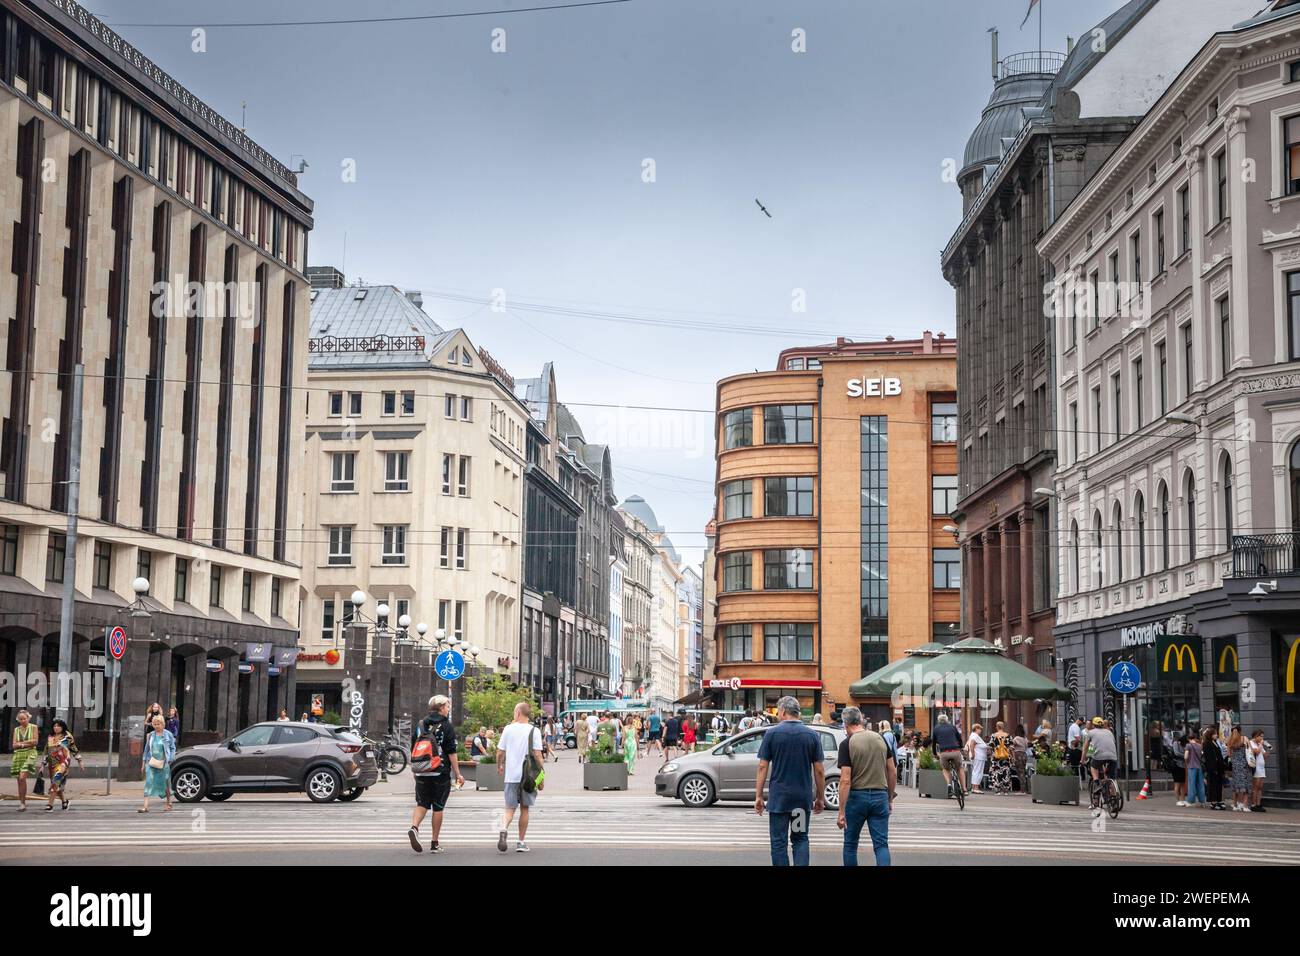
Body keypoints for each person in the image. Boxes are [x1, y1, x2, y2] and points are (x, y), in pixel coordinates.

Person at [755, 696, 825, 867]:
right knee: (800, 838)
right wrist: (820, 798)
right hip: (800, 801)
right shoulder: (811, 735)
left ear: (783, 711)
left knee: (779, 842)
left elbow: (763, 767)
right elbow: (819, 770)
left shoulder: (772, 734)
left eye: (779, 712)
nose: (778, 715)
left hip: (779, 800)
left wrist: (758, 796)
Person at [837, 707, 895, 867]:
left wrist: (841, 811)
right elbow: (892, 770)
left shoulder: (847, 743)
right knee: (881, 845)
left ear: (845, 724)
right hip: (880, 796)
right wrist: (889, 797)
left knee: (850, 844)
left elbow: (845, 780)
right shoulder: (880, 739)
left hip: (856, 798)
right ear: (861, 721)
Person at [407, 695, 463, 854]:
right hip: (440, 771)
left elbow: (413, 747)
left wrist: (414, 769)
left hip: (422, 770)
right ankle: (434, 843)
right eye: (447, 705)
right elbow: (451, 751)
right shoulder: (446, 725)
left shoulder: (420, 724)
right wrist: (458, 773)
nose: (448, 708)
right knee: (438, 807)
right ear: (441, 707)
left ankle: (414, 828)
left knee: (422, 803)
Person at [497, 701, 545, 853]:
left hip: (511, 776)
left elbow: (500, 752)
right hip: (528, 778)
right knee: (525, 809)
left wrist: (500, 765)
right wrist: (542, 777)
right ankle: (521, 842)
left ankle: (504, 829)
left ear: (517, 713)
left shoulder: (508, 729)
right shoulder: (534, 731)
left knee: (509, 809)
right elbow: (538, 756)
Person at [42, 718, 83, 812]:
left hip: (63, 762)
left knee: (55, 781)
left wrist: (80, 761)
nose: (56, 728)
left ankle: (50, 804)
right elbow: (46, 750)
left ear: (62, 727)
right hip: (52, 763)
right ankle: (65, 802)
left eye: (58, 726)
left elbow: (73, 748)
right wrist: (43, 764)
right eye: (55, 726)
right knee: (56, 784)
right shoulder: (50, 737)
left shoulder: (67, 736)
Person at [139, 714, 176, 813]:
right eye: (154, 724)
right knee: (148, 782)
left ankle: (168, 802)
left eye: (158, 724)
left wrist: (170, 758)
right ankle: (145, 806)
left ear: (163, 724)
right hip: (152, 763)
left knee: (166, 784)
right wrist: (143, 764)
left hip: (164, 763)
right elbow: (146, 750)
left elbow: (173, 747)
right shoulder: (151, 735)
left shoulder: (168, 734)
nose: (156, 726)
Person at [1083, 716, 1119, 804]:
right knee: (1111, 779)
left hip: (1099, 756)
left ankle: (1096, 782)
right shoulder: (1109, 732)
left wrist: (1082, 760)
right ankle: (1114, 799)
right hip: (1113, 756)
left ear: (1093, 725)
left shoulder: (1091, 733)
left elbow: (1085, 748)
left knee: (1093, 767)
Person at [10, 709, 40, 811]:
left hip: (30, 753)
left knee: (22, 777)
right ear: (18, 720)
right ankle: (22, 803)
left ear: (28, 718)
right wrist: (27, 742)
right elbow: (14, 745)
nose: (23, 720)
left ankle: (23, 803)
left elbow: (35, 741)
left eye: (24, 718)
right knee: (19, 780)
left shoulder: (34, 727)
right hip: (18, 755)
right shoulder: (16, 729)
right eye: (20, 719)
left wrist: (21, 744)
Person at [930, 713, 966, 795]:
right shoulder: (953, 727)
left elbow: (934, 743)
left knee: (945, 769)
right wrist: (961, 747)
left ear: (939, 721)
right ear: (947, 720)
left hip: (944, 752)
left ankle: (949, 784)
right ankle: (964, 789)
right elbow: (959, 738)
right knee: (960, 768)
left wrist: (935, 754)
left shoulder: (936, 729)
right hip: (955, 751)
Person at [1202, 726, 1227, 810]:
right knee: (1212, 785)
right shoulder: (1207, 744)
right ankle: (1213, 802)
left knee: (1218, 785)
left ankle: (1218, 800)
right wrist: (1213, 768)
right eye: (1215, 734)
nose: (1216, 735)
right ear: (1210, 735)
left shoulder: (1215, 742)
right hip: (1213, 768)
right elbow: (1210, 758)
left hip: (1219, 767)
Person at [1227, 727, 1252, 812]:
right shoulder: (1244, 738)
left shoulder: (1230, 741)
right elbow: (1250, 749)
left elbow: (1229, 754)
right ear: (1240, 731)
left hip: (1235, 767)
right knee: (1245, 785)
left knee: (1236, 786)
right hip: (1244, 765)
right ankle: (1245, 806)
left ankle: (1235, 805)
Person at [987, 721, 1013, 795]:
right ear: (1003, 727)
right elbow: (1011, 747)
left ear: (997, 727)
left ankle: (998, 789)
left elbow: (990, 746)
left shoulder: (994, 735)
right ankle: (1005, 790)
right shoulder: (1008, 735)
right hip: (1006, 757)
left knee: (996, 772)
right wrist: (1013, 756)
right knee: (1006, 771)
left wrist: (990, 752)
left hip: (996, 757)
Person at [1249, 730, 1270, 813]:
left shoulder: (1259, 745)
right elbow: (1256, 752)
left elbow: (1264, 756)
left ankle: (1258, 804)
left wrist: (1268, 750)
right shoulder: (1251, 743)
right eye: (1260, 736)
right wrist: (1261, 744)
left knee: (1260, 787)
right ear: (1255, 736)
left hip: (1262, 767)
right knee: (1256, 786)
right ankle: (1253, 804)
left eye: (1262, 736)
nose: (1262, 738)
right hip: (1256, 767)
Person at [1184, 731, 1205, 807]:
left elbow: (1186, 756)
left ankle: (1190, 801)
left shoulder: (1188, 745)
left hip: (1191, 766)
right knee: (1200, 784)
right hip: (1199, 767)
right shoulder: (1199, 746)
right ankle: (1202, 801)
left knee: (1191, 784)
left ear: (1188, 739)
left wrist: (1187, 761)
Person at [966, 724, 988, 794]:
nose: (981, 730)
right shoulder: (975, 736)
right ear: (976, 729)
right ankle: (976, 787)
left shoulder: (973, 735)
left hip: (978, 756)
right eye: (980, 729)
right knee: (978, 771)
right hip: (978, 756)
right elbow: (972, 745)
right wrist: (973, 754)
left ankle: (974, 787)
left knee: (976, 771)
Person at [1170, 732, 1188, 806]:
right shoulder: (1175, 743)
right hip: (1177, 765)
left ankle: (1182, 799)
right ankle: (1178, 800)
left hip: (1184, 766)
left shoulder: (1185, 745)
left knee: (1183, 783)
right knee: (1177, 783)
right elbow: (1176, 753)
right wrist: (1185, 755)